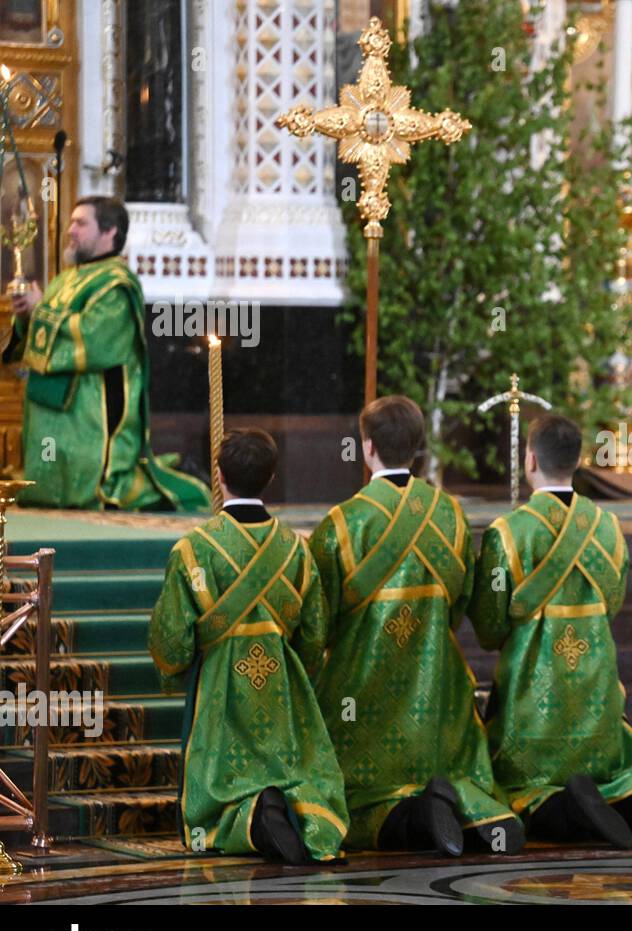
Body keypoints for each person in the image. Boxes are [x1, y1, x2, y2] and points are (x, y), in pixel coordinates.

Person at [308, 396, 523, 855]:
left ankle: (418, 816)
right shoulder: (451, 515)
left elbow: (317, 622)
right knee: (456, 765)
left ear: (367, 448)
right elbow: (462, 604)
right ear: (419, 448)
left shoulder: (343, 525)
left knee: (350, 802)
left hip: (359, 694)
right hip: (438, 693)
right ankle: (474, 810)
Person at [147, 429, 348, 863]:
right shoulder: (297, 549)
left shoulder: (193, 550)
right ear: (271, 477)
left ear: (218, 476)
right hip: (281, 681)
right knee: (292, 767)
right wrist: (299, 670)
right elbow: (314, 634)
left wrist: (175, 671)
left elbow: (171, 639)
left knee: (215, 797)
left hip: (218, 682)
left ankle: (252, 817)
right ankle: (290, 807)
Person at [469, 414, 632, 849]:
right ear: (577, 460)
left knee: (518, 788)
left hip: (531, 716)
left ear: (530, 458)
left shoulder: (508, 534)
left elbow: (488, 625)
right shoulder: (607, 527)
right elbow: (612, 601)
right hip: (597, 706)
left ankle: (567, 808)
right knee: (619, 766)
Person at [6, 196, 208, 510]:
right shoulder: (64, 280)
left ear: (110, 232)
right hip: (48, 401)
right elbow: (39, 335)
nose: (70, 230)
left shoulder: (117, 284)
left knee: (94, 489)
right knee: (43, 487)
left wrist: (41, 309)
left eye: (81, 223)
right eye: (71, 222)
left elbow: (95, 341)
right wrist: (25, 317)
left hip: (91, 406)